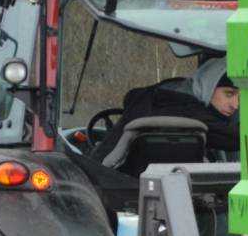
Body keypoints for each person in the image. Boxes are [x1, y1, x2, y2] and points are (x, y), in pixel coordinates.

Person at [92, 56, 239, 166]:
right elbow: (235, 138)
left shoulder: (168, 90)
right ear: (209, 85)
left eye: (241, 98)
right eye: (229, 94)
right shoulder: (186, 109)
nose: (235, 105)